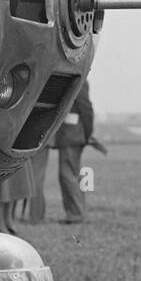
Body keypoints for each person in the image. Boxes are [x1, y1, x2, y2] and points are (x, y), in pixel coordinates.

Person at [52, 79, 93, 224]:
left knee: (67, 175)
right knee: (70, 174)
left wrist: (87, 134)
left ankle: (76, 214)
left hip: (72, 136)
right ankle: (75, 212)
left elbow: (86, 108)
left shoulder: (80, 81)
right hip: (72, 136)